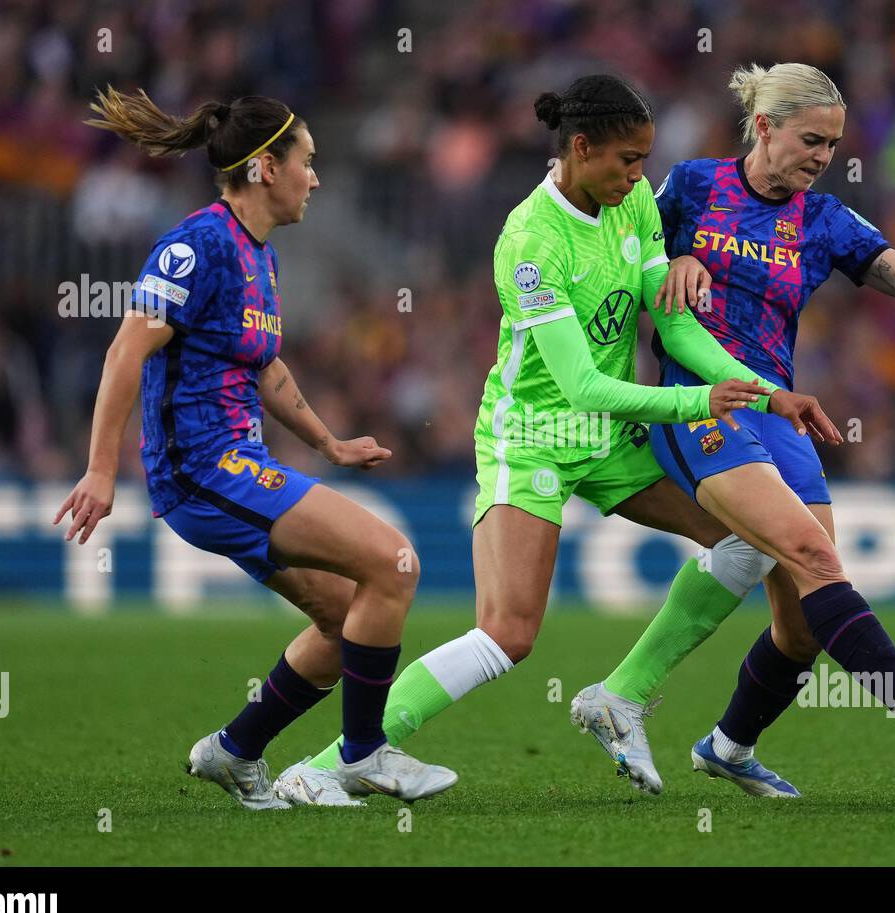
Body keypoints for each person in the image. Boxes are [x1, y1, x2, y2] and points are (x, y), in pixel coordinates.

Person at [273, 74, 841, 805]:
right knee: (509, 633)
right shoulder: (530, 240)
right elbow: (580, 386)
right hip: (533, 436)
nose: (640, 178)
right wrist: (700, 399)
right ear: (580, 149)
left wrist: (764, 390)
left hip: (608, 439)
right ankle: (326, 765)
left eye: (644, 161)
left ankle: (620, 697)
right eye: (627, 161)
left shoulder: (632, 201)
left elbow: (670, 323)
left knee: (752, 538)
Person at [578, 62, 895, 797]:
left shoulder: (825, 222)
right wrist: (678, 257)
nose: (823, 157)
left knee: (799, 626)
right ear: (764, 127)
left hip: (778, 413)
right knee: (808, 554)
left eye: (832, 145)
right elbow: (618, 258)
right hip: (701, 403)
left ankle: (727, 746)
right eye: (812, 140)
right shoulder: (693, 186)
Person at [54, 87, 456, 809]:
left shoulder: (257, 255)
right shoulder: (197, 244)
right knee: (395, 563)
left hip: (244, 467)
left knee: (346, 618)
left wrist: (328, 442)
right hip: (203, 471)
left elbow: (264, 367)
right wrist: (99, 468)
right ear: (266, 168)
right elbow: (124, 351)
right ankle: (364, 755)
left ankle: (235, 752)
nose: (317, 177)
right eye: (308, 161)